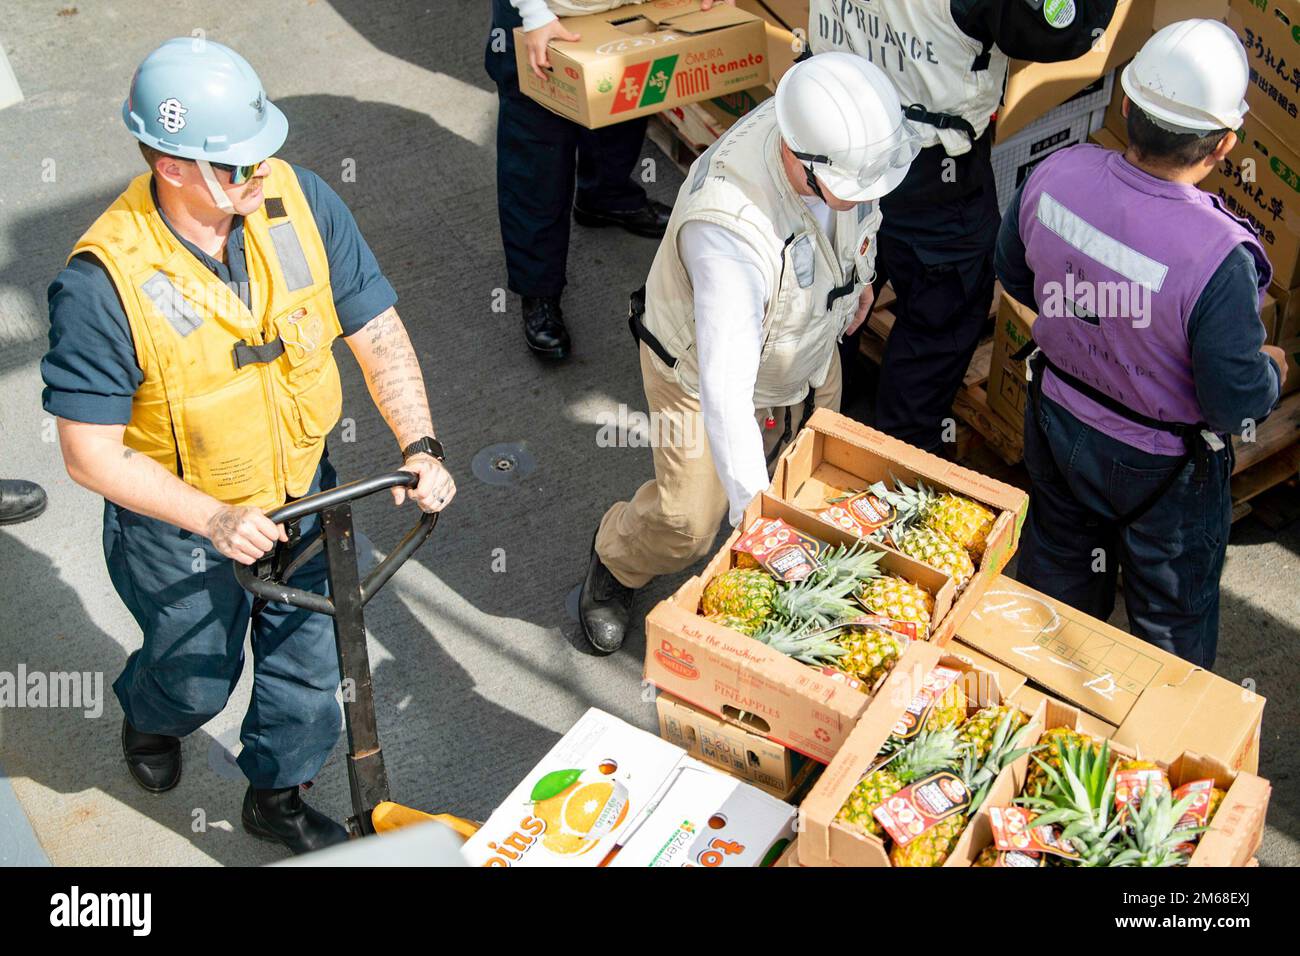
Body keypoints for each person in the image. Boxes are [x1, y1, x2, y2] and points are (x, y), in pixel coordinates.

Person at [41, 38, 456, 854]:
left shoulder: (298, 200)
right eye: (235, 167)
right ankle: (152, 712)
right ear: (170, 164)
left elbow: (374, 327)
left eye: (265, 154)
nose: (259, 177)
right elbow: (88, 454)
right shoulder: (103, 281)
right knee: (195, 678)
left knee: (310, 684)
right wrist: (216, 520)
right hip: (180, 524)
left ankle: (277, 793)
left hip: (306, 497)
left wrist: (421, 442)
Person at [579, 53, 919, 653]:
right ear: (802, 163)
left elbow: (859, 217)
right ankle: (618, 558)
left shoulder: (833, 131)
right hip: (701, 371)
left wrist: (859, 280)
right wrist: (756, 518)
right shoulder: (730, 232)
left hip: (805, 347)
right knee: (688, 523)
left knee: (815, 480)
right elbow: (726, 390)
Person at [994, 19, 1289, 669]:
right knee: (1168, 630)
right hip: (1163, 472)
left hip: (1059, 421)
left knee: (1058, 584)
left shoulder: (1054, 175)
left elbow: (1017, 274)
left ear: (1125, 105)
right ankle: (1149, 749)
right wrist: (1271, 369)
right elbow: (1232, 402)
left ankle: (1038, 698)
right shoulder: (1218, 257)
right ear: (1223, 145)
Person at [809, 0, 1118, 452]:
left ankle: (823, 407)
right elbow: (1061, 28)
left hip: (830, 134)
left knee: (838, 281)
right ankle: (899, 453)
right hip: (932, 173)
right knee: (942, 309)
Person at [486, 1, 735, 359]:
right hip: (546, 12)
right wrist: (534, 15)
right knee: (538, 150)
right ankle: (539, 287)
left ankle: (606, 197)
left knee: (623, 102)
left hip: (621, 8)